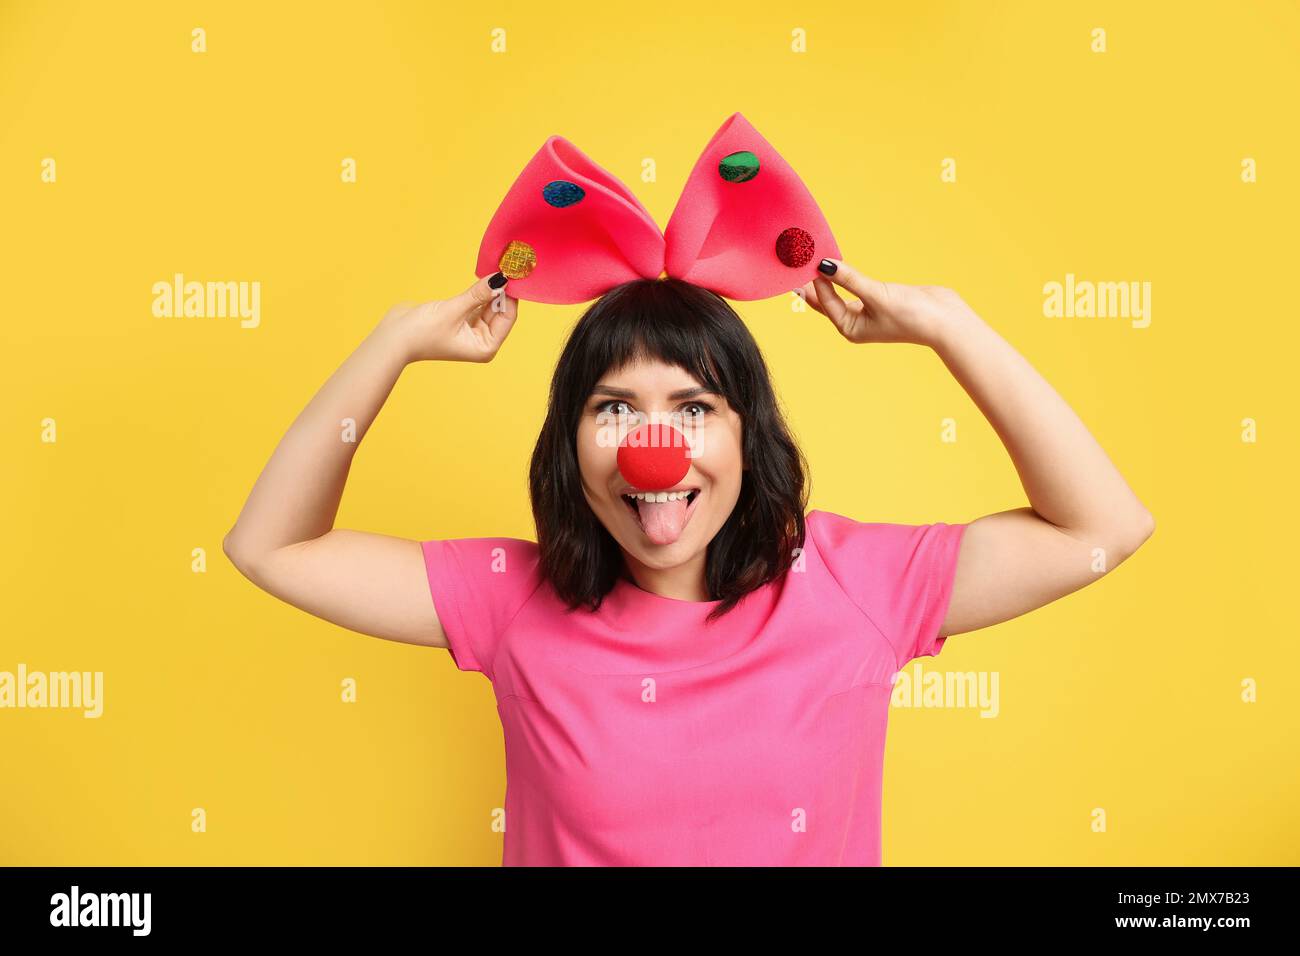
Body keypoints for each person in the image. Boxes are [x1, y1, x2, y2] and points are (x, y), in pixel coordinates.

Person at [222, 259, 1154, 865]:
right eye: (614, 409)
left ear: (751, 439)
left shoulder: (850, 584)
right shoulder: (511, 599)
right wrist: (395, 341)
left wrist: (952, 325)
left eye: (696, 408)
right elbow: (272, 546)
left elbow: (1100, 529)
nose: (653, 446)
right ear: (569, 444)